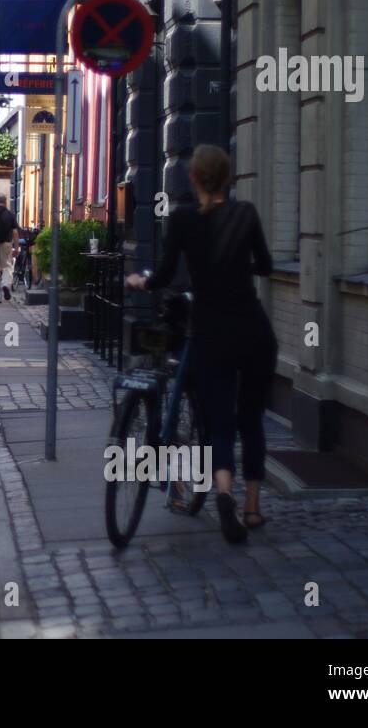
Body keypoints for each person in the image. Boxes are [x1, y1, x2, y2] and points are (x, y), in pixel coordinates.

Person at [125, 144, 278, 544]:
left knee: (222, 422)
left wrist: (141, 282)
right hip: (254, 332)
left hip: (213, 334)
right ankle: (252, 508)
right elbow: (265, 265)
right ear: (229, 178)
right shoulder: (245, 214)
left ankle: (224, 493)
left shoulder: (182, 219)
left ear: (193, 179)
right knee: (251, 418)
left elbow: (163, 273)